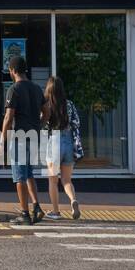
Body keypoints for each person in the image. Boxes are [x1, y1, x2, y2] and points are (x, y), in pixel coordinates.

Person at [0, 54, 44, 225]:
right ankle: (37, 207)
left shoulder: (14, 89)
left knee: (19, 177)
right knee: (29, 173)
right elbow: (46, 110)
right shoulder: (37, 88)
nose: (9, 72)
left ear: (13, 70)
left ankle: (24, 213)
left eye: (9, 70)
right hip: (34, 137)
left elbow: (8, 118)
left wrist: (3, 140)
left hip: (20, 137)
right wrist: (39, 125)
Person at [41, 76, 82, 220]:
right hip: (68, 141)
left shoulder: (47, 105)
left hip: (54, 141)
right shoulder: (69, 104)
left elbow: (44, 125)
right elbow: (76, 122)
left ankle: (56, 211)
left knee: (53, 181)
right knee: (66, 180)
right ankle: (73, 200)